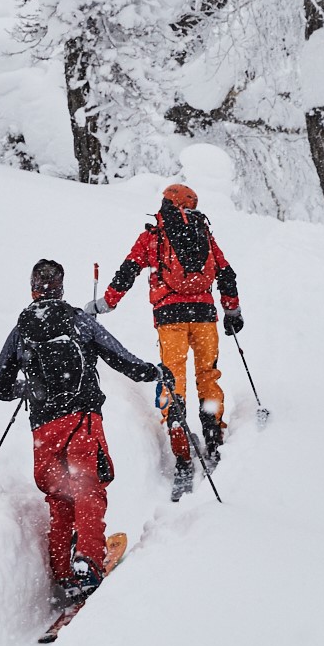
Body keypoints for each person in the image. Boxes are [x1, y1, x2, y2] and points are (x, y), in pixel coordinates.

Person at [0, 258, 170, 604]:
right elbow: (121, 358)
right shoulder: (78, 320)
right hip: (81, 419)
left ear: (32, 288)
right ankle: (88, 560)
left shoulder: (22, 329)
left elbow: (0, 385)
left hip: (43, 428)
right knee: (88, 488)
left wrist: (28, 390)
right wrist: (153, 372)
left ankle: (63, 574)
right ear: (60, 287)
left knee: (60, 499)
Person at [87, 183, 242, 499]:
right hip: (204, 316)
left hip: (169, 317)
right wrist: (232, 310)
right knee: (208, 377)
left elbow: (128, 270)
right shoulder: (204, 233)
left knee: (173, 383)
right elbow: (225, 272)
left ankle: (183, 455)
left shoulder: (153, 235)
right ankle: (213, 442)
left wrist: (107, 302)